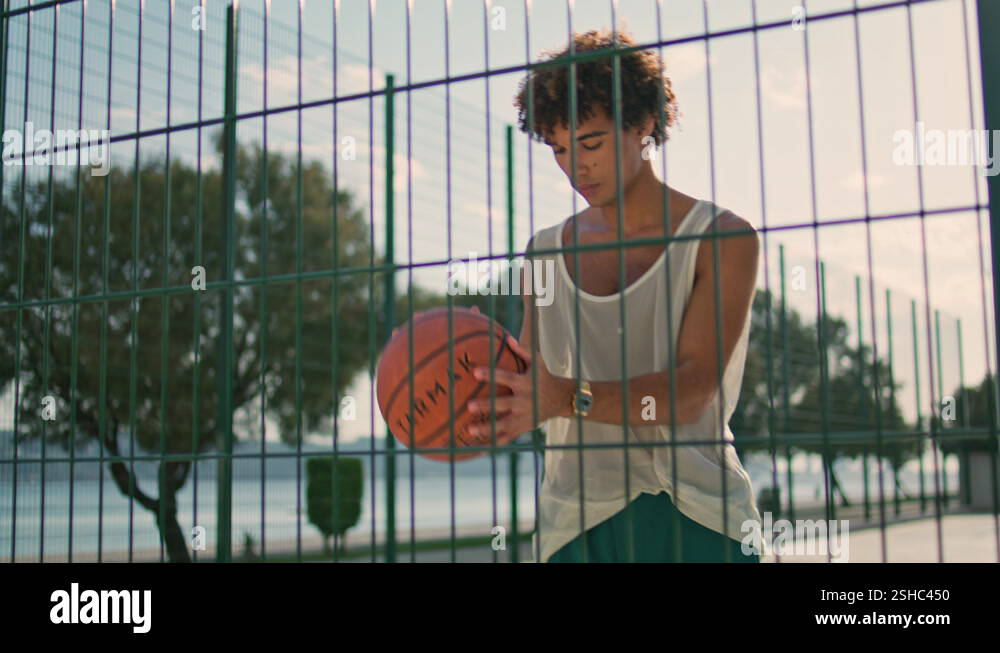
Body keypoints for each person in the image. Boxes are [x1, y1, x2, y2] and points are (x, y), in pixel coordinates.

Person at [463, 28, 763, 563]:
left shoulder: (722, 239)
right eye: (558, 148)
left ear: (644, 123)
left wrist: (564, 398)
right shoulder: (544, 253)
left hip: (696, 517)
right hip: (575, 523)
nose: (575, 166)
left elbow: (692, 391)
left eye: (591, 142)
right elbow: (534, 386)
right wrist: (468, 365)